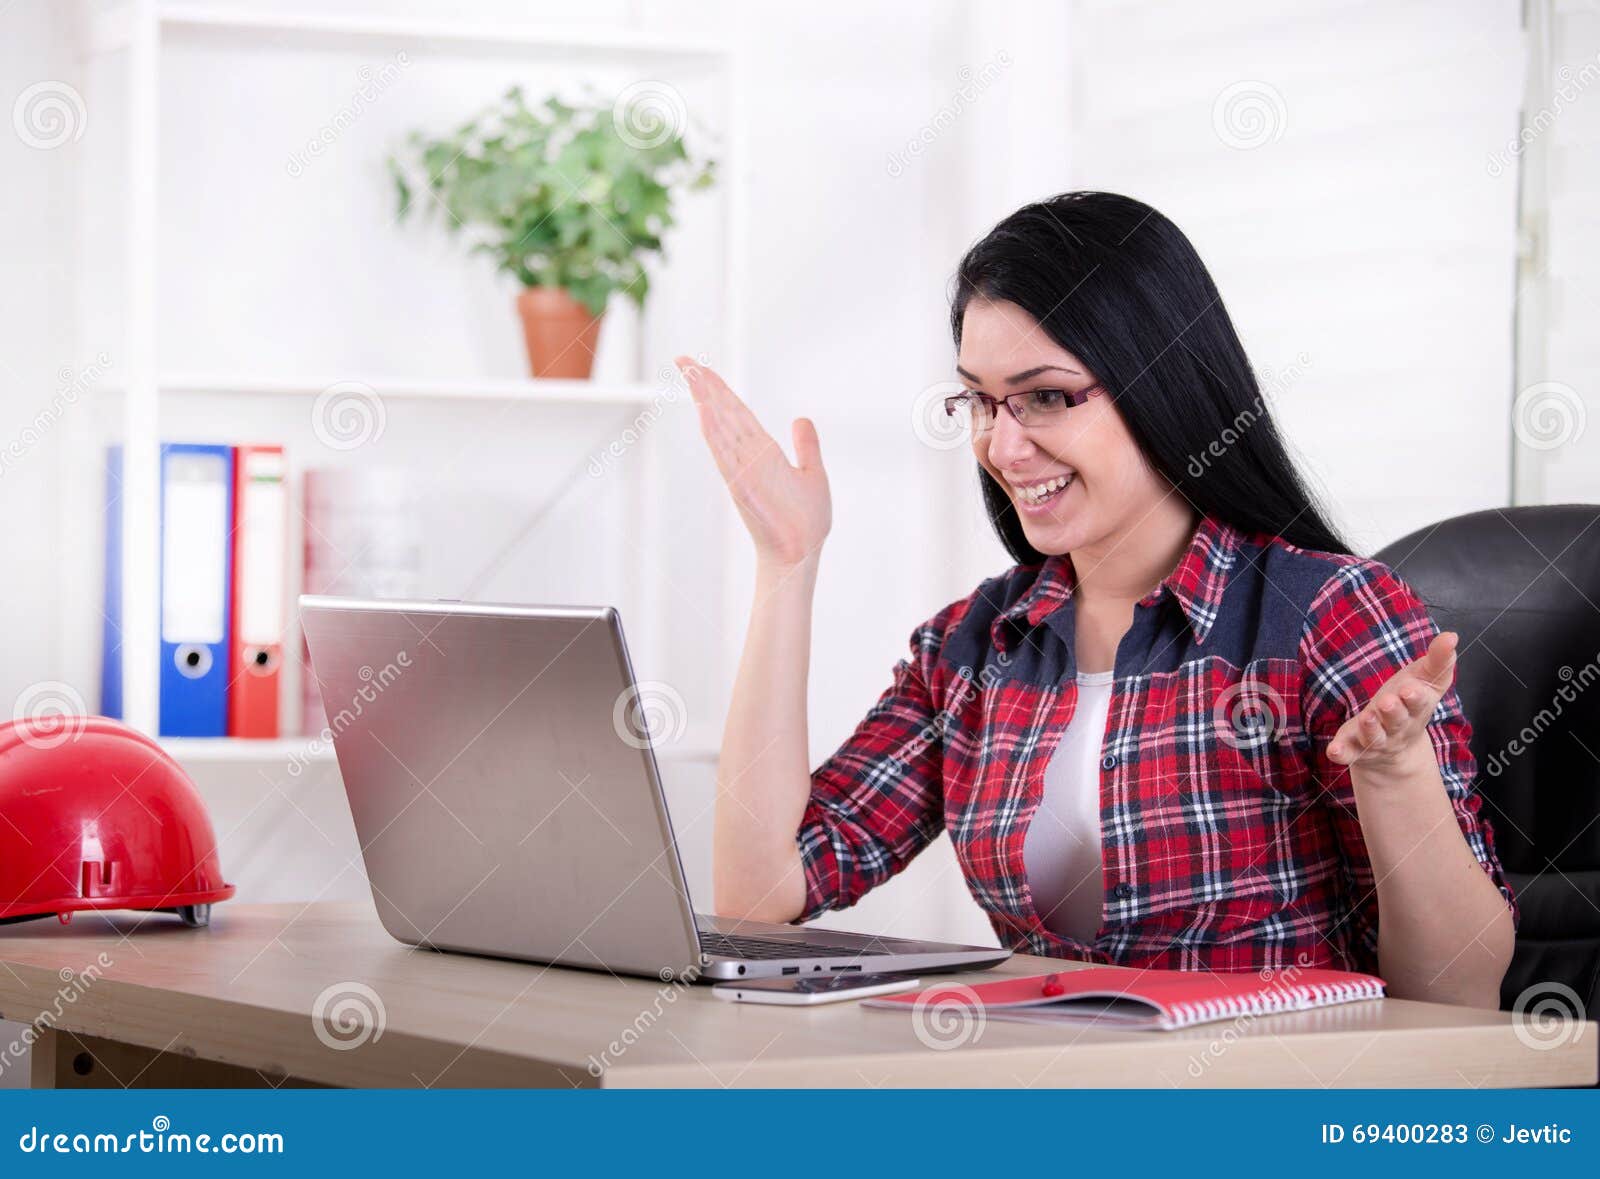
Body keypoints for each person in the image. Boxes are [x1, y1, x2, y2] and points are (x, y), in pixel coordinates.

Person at [677, 191, 1515, 1009]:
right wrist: (787, 564)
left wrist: (1396, 773)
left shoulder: (1328, 615)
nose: (1001, 446)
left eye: (1045, 396)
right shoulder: (973, 647)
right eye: (979, 399)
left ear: (1165, 385)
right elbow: (759, 899)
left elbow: (1459, 992)